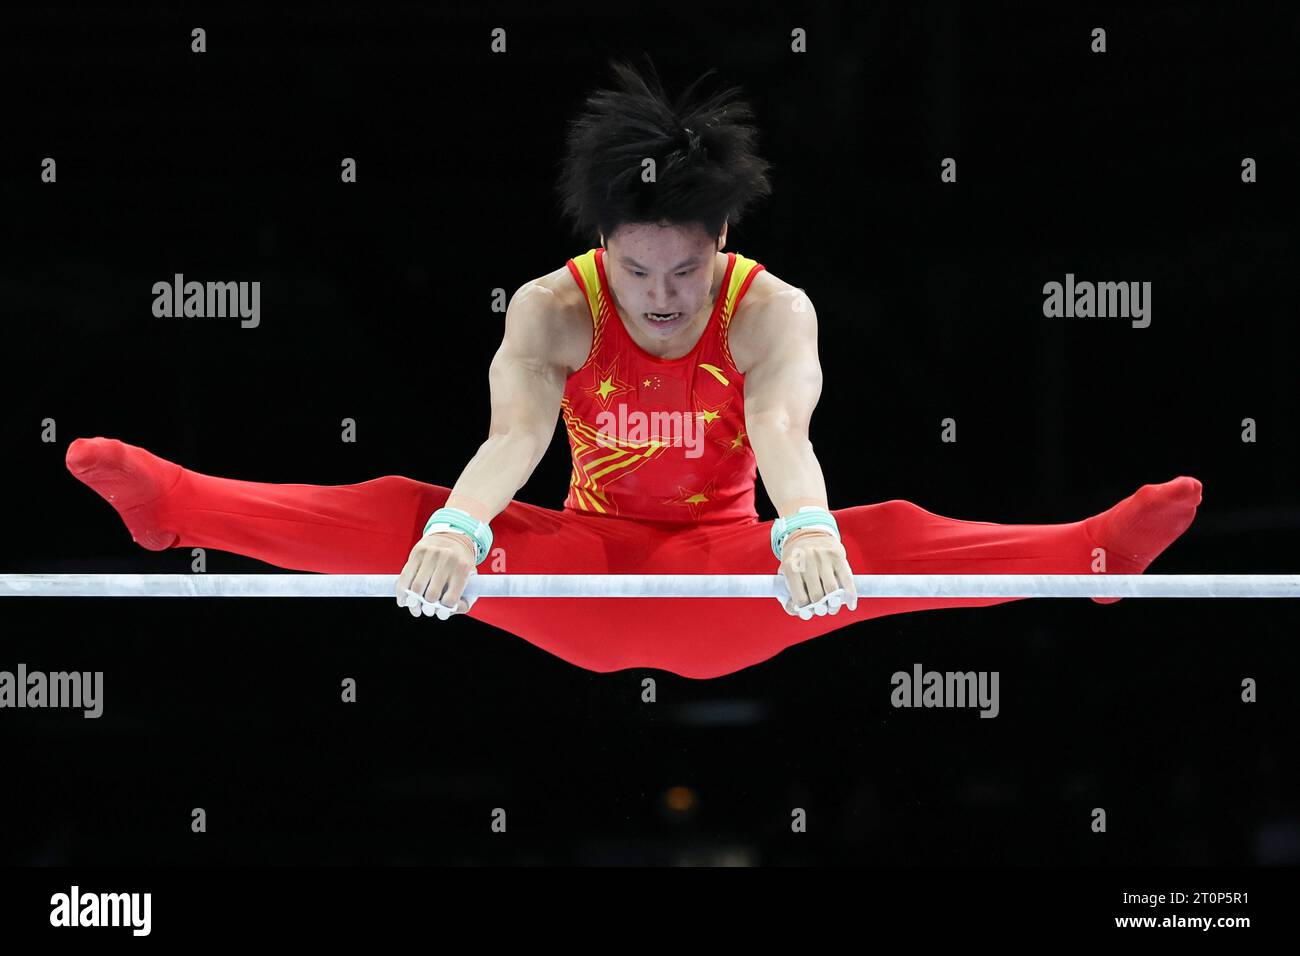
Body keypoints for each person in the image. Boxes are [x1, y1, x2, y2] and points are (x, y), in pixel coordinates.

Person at [64, 58, 1203, 679]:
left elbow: (782, 433)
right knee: (410, 514)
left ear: (721, 242)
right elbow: (514, 439)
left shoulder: (770, 309)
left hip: (733, 579)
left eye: (686, 269)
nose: (663, 296)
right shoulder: (555, 307)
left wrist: (802, 532)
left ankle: (1086, 556)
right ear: (604, 248)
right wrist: (460, 534)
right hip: (586, 575)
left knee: (880, 531)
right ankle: (181, 508)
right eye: (641, 270)